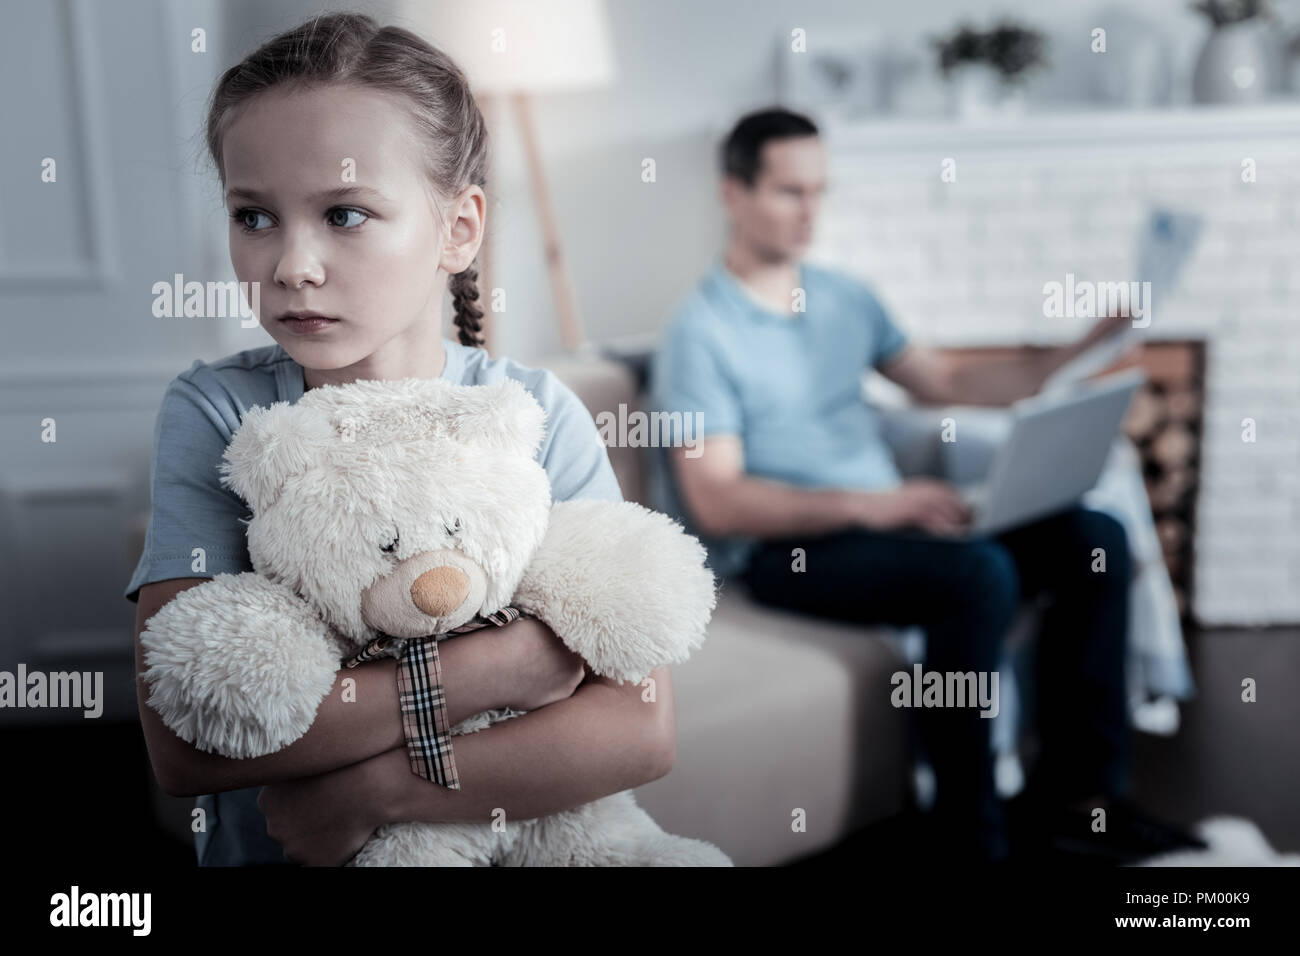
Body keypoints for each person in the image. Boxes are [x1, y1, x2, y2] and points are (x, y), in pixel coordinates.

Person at [125, 13, 675, 867]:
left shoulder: (535, 412)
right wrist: (502, 670)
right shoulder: (218, 415)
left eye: (344, 214)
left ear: (458, 228)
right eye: (255, 217)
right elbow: (183, 746)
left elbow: (640, 729)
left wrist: (374, 794)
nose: (290, 265)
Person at [650, 107, 1206, 865]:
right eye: (789, 192)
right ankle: (968, 837)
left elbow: (945, 380)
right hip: (792, 550)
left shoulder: (845, 297)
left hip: (889, 523)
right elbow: (718, 498)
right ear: (734, 193)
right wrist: (875, 504)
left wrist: (1086, 345)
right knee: (977, 576)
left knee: (1091, 539)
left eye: (820, 191)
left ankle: (1079, 800)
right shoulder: (701, 331)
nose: (810, 211)